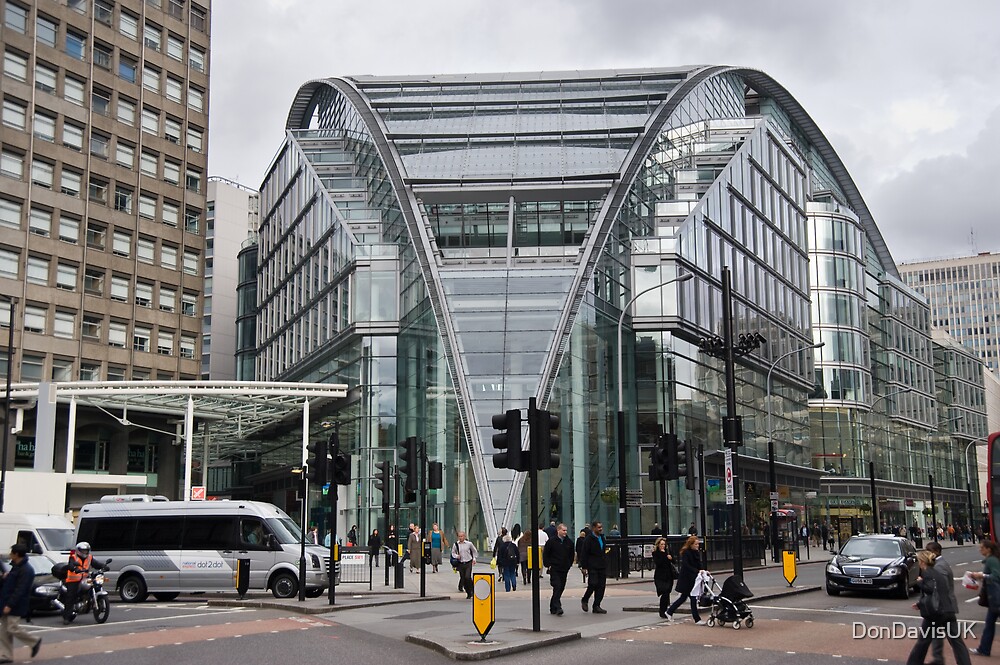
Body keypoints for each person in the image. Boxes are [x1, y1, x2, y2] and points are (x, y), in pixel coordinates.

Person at [905, 550, 971, 665]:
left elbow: (930, 589)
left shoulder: (927, 573)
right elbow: (939, 593)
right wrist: (920, 604)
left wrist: (919, 582)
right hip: (948, 610)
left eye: (918, 561)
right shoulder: (937, 574)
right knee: (956, 641)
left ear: (922, 562)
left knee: (923, 641)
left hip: (936, 613)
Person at [0, 544, 41, 661]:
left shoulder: (27, 570)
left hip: (15, 604)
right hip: (6, 602)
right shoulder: (16, 567)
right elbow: (9, 584)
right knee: (4, 631)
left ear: (16, 554)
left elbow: (20, 589)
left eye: (11, 553)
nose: (10, 555)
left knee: (12, 627)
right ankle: (6, 655)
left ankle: (34, 641)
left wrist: (10, 604)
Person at [925, 541, 958, 664]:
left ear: (936, 552)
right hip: (942, 607)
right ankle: (938, 659)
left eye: (929, 551)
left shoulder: (940, 566)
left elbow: (940, 587)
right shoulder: (937, 564)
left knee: (954, 639)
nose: (926, 553)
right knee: (940, 635)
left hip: (942, 607)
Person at [667, 535, 707, 625]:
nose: (697, 546)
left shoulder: (696, 552)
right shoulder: (686, 553)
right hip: (686, 579)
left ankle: (669, 611)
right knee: (692, 598)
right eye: (696, 544)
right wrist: (697, 571)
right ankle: (697, 619)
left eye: (698, 544)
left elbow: (699, 564)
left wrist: (703, 571)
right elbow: (686, 565)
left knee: (684, 598)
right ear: (691, 544)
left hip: (693, 578)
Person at [971, 539, 1000, 656]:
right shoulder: (991, 559)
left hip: (996, 597)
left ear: (988, 549)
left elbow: (996, 576)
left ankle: (984, 649)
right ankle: (984, 648)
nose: (980, 549)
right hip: (994, 597)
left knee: (989, 624)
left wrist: (981, 575)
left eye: (982, 547)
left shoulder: (991, 560)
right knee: (989, 624)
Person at [542, 523, 574, 616]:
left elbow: (571, 555)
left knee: (561, 588)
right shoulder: (552, 541)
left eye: (566, 530)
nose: (565, 532)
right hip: (554, 568)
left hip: (564, 568)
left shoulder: (569, 542)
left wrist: (569, 565)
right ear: (558, 530)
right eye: (563, 530)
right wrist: (548, 565)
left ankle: (553, 606)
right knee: (557, 586)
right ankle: (558, 606)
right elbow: (546, 554)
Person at [579, 521, 608, 614]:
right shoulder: (589, 539)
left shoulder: (602, 538)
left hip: (602, 565)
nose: (600, 529)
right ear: (594, 528)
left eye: (601, 527)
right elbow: (584, 553)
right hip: (592, 565)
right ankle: (585, 599)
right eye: (599, 527)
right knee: (593, 584)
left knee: (601, 586)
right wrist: (584, 567)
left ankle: (596, 605)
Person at [62, 541, 93, 624]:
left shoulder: (89, 557)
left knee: (94, 584)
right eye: (83, 551)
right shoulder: (73, 557)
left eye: (86, 550)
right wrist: (74, 569)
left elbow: (96, 563)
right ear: (79, 550)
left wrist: (104, 566)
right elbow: (71, 565)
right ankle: (66, 617)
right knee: (70, 597)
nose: (85, 552)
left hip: (84, 579)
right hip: (73, 581)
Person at [651, 537, 676, 618]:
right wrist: (662, 554)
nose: (663, 546)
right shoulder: (655, 553)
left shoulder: (668, 552)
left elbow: (674, 561)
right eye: (661, 544)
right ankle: (662, 611)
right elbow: (658, 563)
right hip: (660, 576)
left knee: (667, 592)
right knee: (664, 592)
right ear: (658, 545)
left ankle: (665, 610)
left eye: (664, 544)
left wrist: (671, 558)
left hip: (668, 575)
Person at [451, 531, 478, 599]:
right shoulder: (456, 544)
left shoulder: (469, 544)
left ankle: (472, 590)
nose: (460, 538)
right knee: (463, 578)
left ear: (464, 537)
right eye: (459, 536)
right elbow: (453, 553)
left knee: (467, 577)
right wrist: (457, 556)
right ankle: (468, 592)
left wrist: (474, 558)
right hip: (460, 563)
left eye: (462, 536)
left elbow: (474, 551)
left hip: (468, 562)